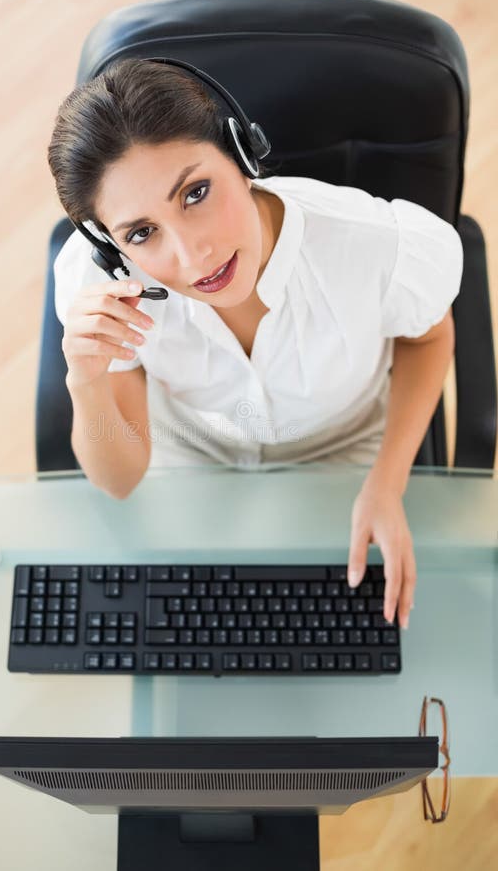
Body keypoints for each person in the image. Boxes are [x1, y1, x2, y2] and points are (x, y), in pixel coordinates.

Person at [47, 58, 463, 633]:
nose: (193, 258)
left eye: (195, 193)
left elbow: (431, 337)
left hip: (339, 446)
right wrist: (86, 381)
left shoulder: (376, 248)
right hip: (191, 446)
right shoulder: (106, 287)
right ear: (110, 247)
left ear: (241, 156)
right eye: (142, 233)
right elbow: (120, 479)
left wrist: (387, 485)